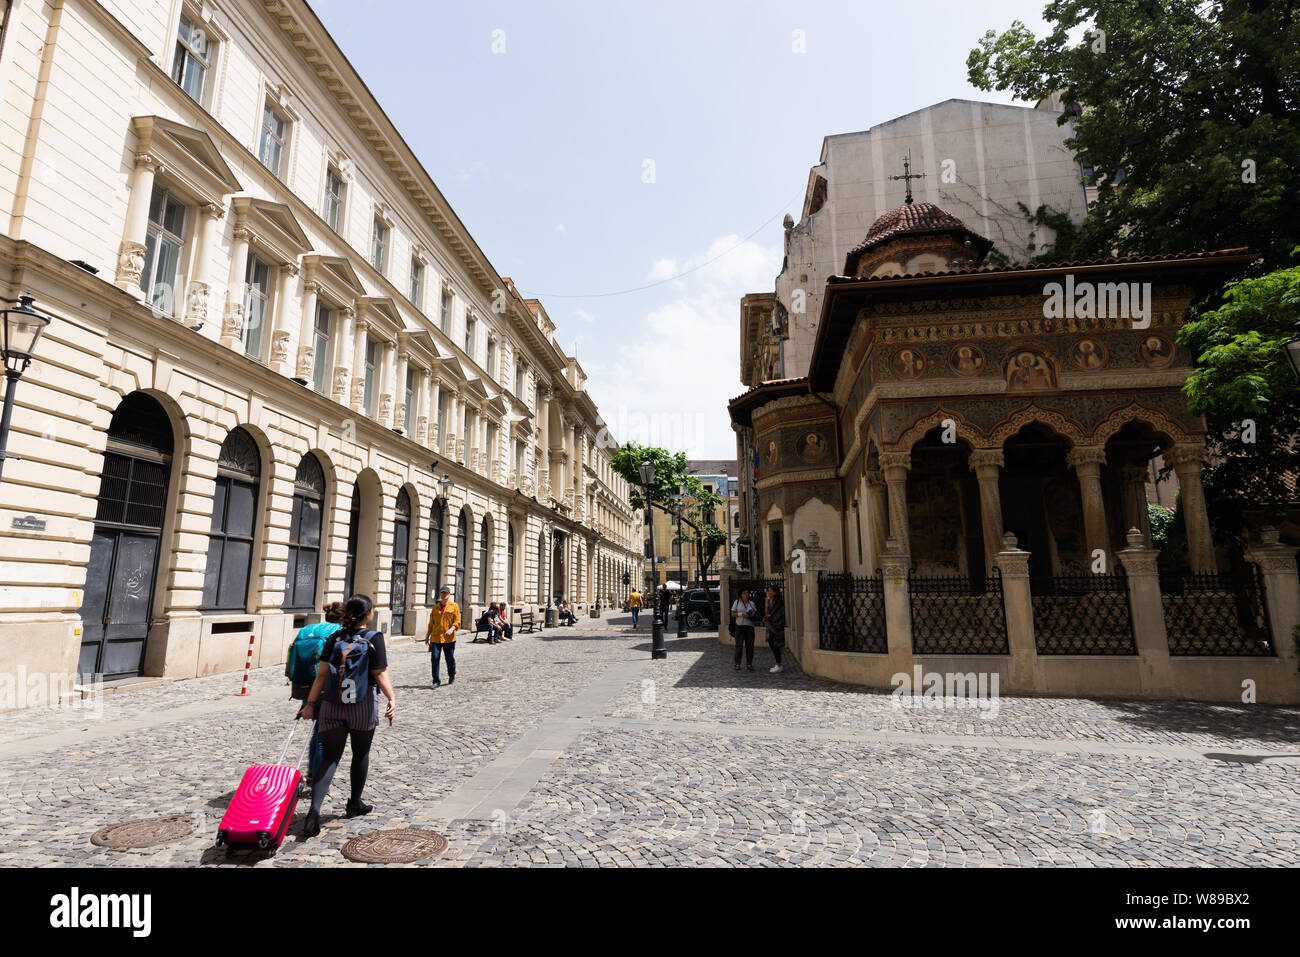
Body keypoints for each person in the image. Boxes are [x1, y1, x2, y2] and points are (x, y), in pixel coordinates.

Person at [298, 595, 395, 837]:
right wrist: (392, 698)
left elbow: (321, 675)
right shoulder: (374, 638)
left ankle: (314, 810)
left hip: (332, 704)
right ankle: (355, 803)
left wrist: (310, 704)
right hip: (361, 704)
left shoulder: (334, 638)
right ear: (368, 614)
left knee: (329, 756)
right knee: (360, 753)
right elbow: (379, 673)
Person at [288, 601, 345, 785]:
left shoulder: (310, 629)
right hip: (323, 687)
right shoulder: (338, 633)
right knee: (323, 735)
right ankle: (318, 776)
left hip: (304, 686)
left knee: (317, 731)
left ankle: (313, 771)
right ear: (343, 617)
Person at [426, 585, 460, 685]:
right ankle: (436, 681)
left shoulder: (454, 606)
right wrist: (427, 635)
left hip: (449, 638)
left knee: (449, 658)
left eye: (446, 593)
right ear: (440, 594)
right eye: (442, 593)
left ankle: (452, 674)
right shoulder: (435, 607)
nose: (444, 595)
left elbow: (457, 621)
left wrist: (451, 629)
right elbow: (431, 623)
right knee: (435, 658)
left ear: (449, 595)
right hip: (436, 637)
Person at [731, 587, 757, 672]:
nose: (746, 595)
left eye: (747, 593)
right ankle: (737, 664)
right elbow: (733, 613)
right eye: (744, 593)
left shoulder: (751, 603)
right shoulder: (737, 602)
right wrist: (742, 614)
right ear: (741, 595)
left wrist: (751, 615)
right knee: (739, 646)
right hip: (740, 627)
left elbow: (755, 613)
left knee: (750, 646)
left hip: (749, 627)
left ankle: (749, 664)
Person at [765, 585, 786, 674]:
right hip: (771, 628)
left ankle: (779, 664)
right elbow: (767, 614)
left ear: (775, 592)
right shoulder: (771, 601)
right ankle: (777, 664)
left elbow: (769, 615)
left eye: (770, 591)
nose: (769, 592)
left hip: (776, 627)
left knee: (776, 646)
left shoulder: (777, 602)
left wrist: (767, 605)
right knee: (772, 645)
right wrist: (767, 603)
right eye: (768, 590)